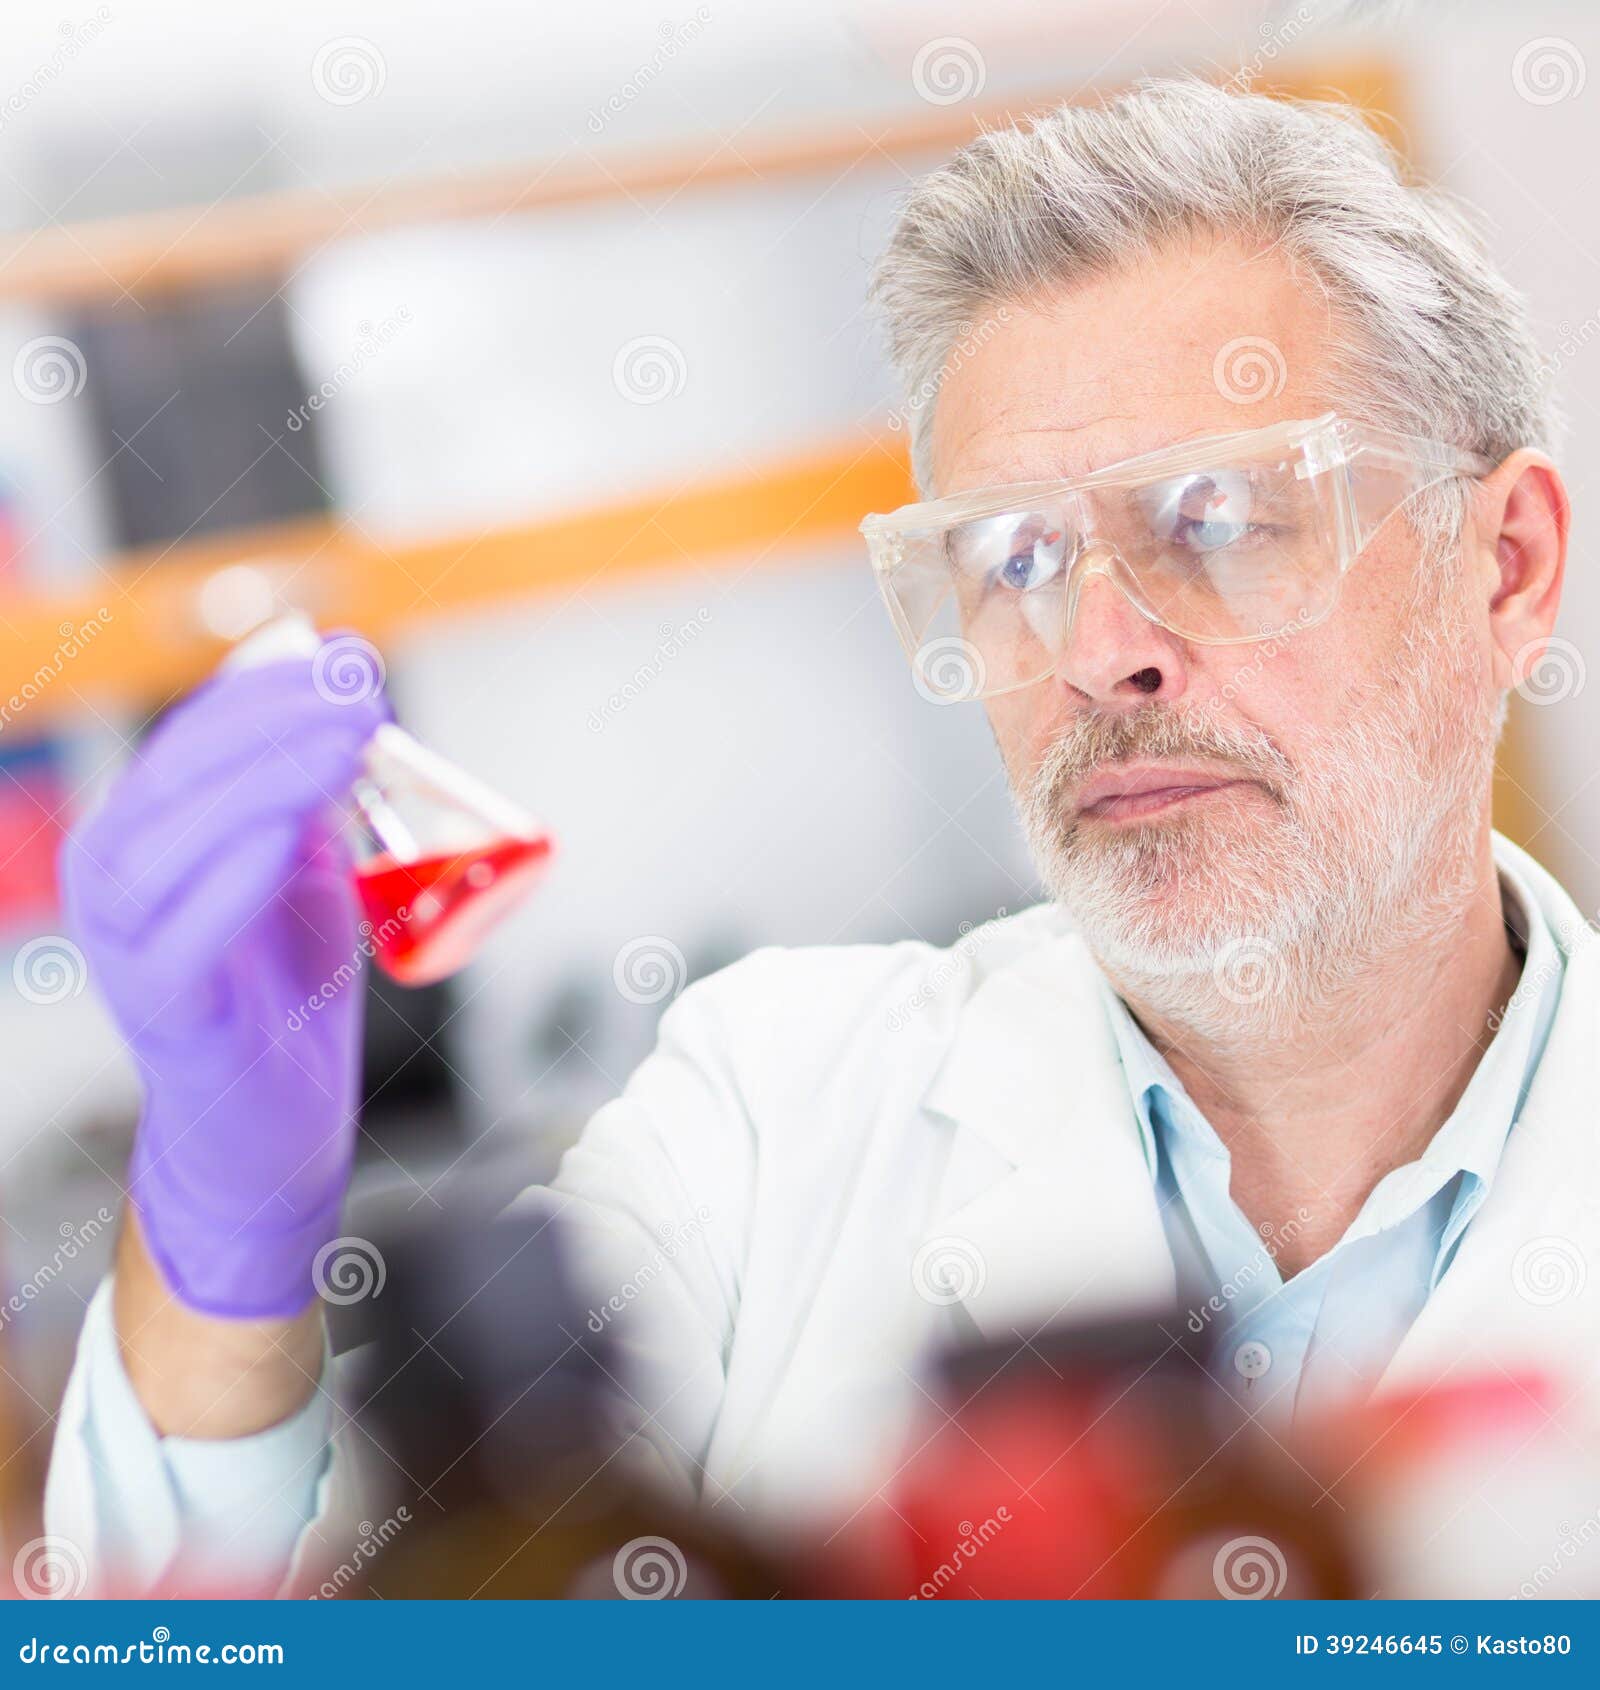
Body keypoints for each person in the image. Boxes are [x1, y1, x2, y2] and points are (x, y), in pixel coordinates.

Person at [45, 76, 1597, 1597]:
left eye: (1214, 516)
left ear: (1508, 566)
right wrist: (220, 1248)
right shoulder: (768, 1117)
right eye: (1014, 554)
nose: (1096, 646)